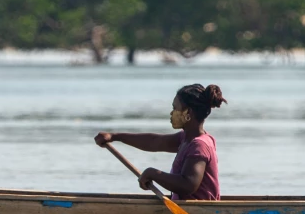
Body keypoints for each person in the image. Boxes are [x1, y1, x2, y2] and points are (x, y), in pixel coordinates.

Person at [94, 83, 226, 200]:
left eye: (175, 108)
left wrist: (153, 174)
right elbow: (154, 142)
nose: (171, 113)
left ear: (188, 113)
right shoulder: (185, 138)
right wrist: (115, 137)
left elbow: (188, 185)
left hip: (200, 212)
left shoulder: (199, 145)